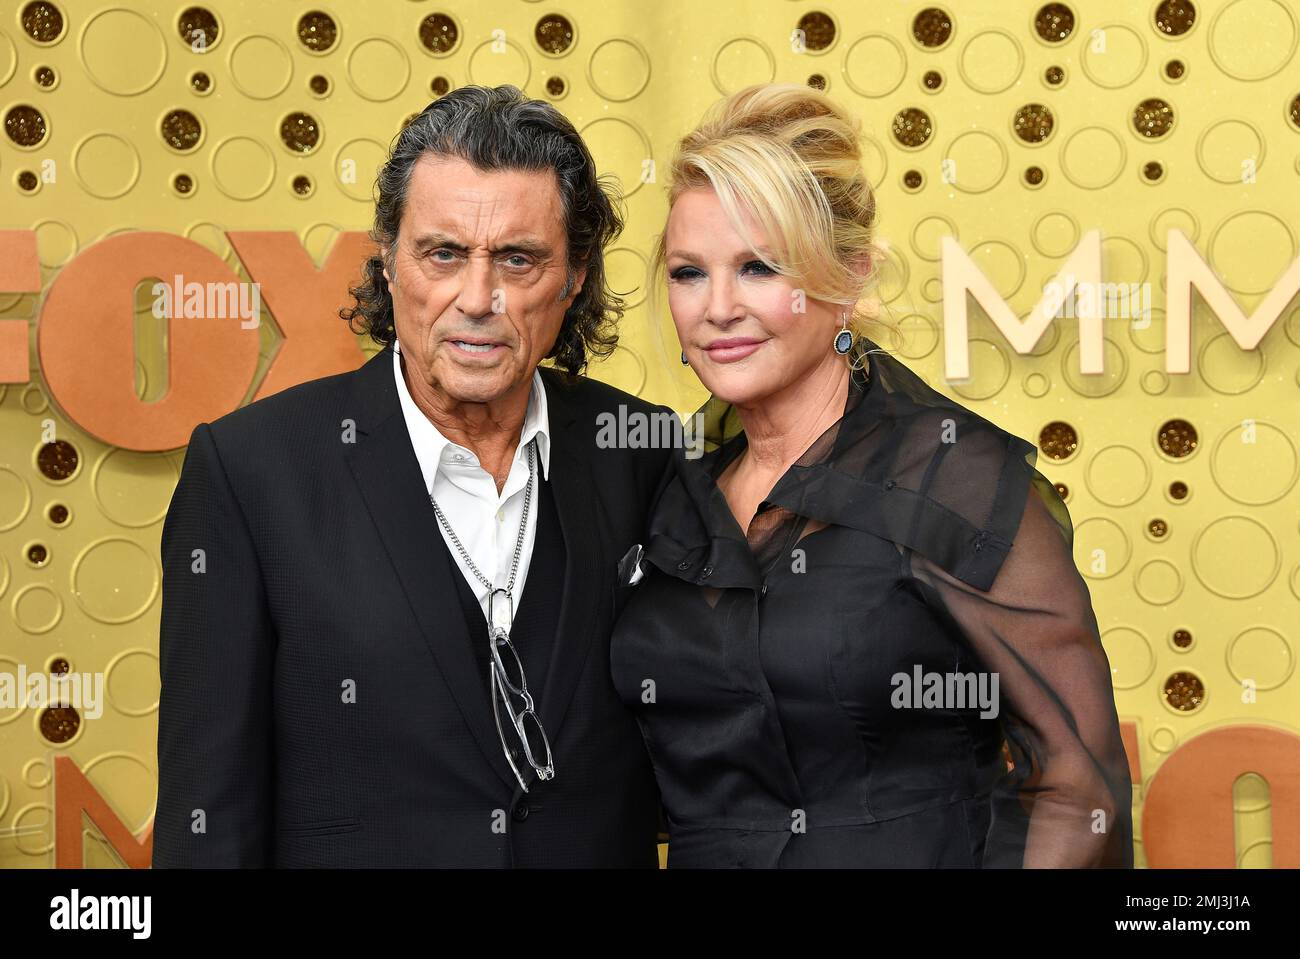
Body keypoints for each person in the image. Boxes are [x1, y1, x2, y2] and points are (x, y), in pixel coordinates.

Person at [609, 83, 1134, 868]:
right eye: (688, 272)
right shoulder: (664, 497)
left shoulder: (956, 479)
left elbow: (1077, 786)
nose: (716, 306)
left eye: (758, 267)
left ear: (848, 276)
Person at [154, 85, 670, 867]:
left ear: (573, 278)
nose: (477, 298)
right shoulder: (251, 471)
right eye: (444, 253)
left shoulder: (643, 449)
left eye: (519, 259)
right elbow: (209, 818)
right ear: (389, 263)